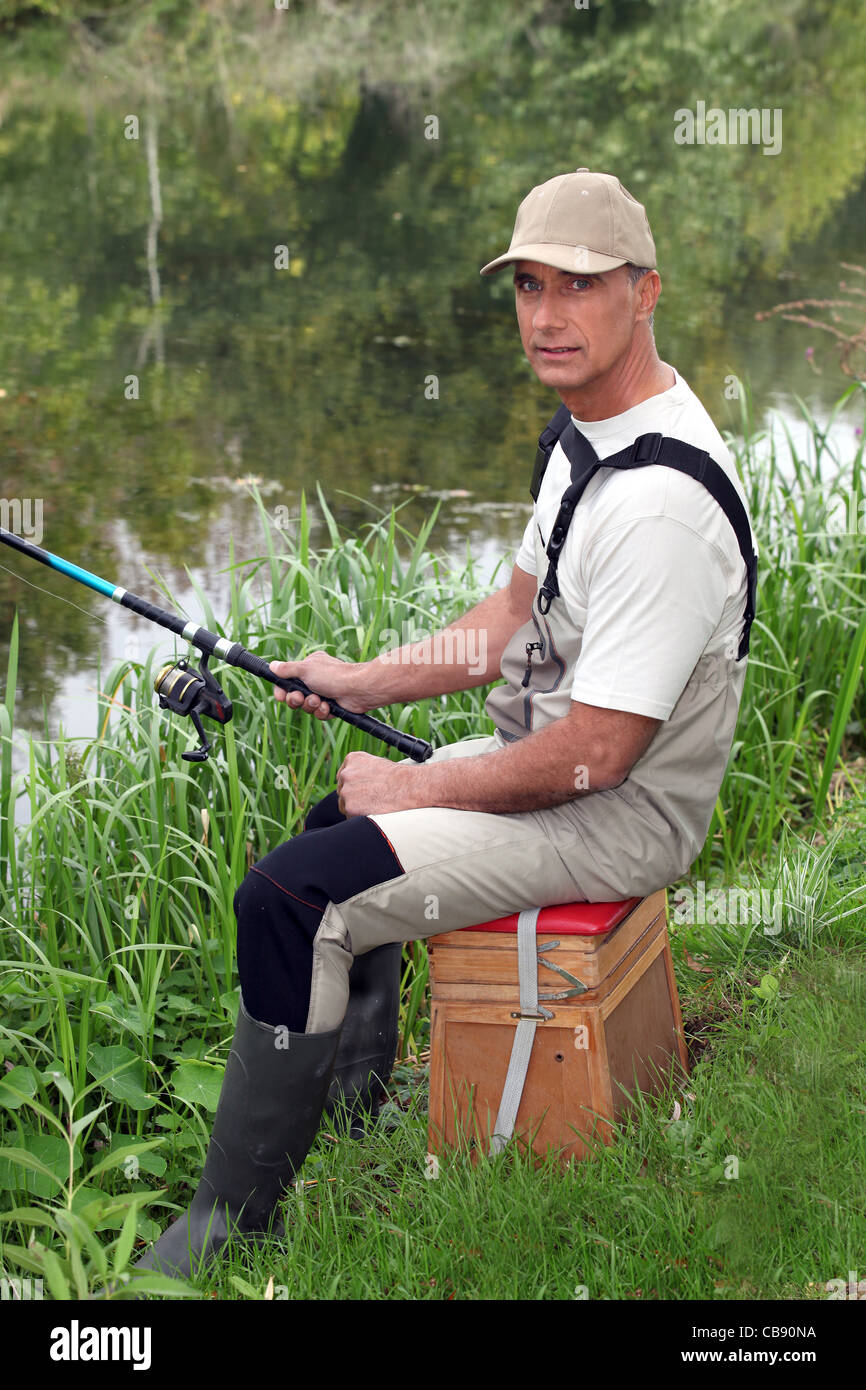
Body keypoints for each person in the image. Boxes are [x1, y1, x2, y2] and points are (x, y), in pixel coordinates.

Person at [135, 167, 756, 1281]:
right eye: (527, 285)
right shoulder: (589, 433)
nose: (545, 314)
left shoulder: (658, 504)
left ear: (645, 291)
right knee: (332, 824)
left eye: (578, 285)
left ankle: (228, 1227)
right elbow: (510, 616)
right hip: (564, 767)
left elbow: (598, 754)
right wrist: (364, 681)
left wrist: (415, 786)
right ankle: (360, 1105)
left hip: (617, 816)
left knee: (287, 899)